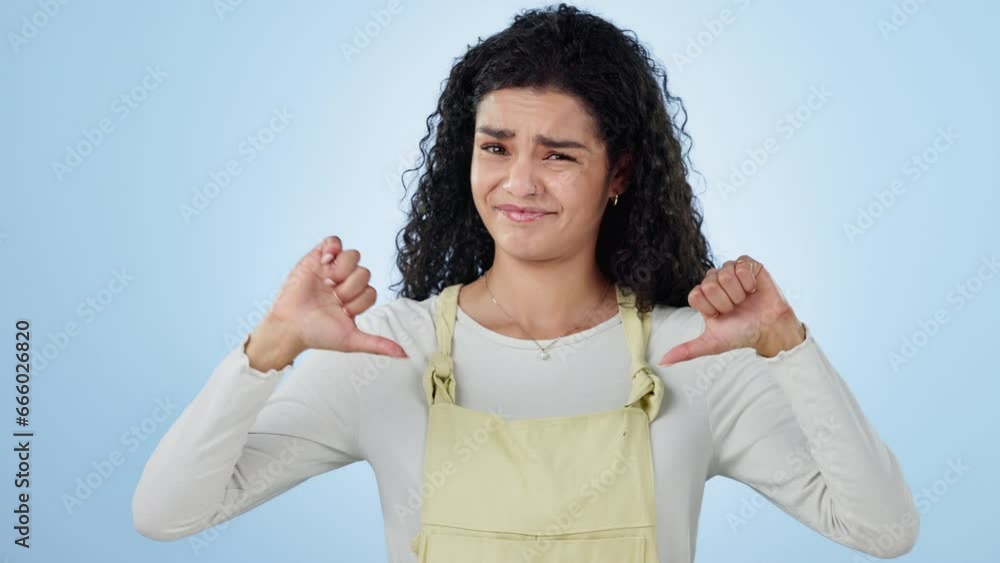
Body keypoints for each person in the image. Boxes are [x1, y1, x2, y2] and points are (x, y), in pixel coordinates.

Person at [132, 4, 919, 562]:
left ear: (620, 173)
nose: (519, 182)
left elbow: (882, 528)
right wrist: (269, 349)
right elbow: (167, 513)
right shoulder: (388, 352)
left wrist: (788, 347)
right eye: (497, 146)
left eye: (559, 154)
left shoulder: (691, 355)